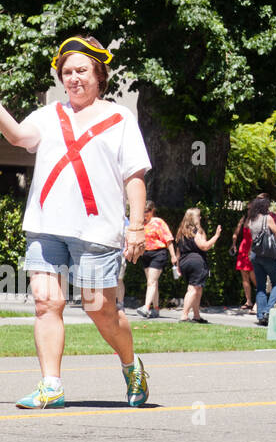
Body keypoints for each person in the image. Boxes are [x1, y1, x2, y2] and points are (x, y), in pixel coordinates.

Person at [0, 35, 151, 408]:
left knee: (100, 308)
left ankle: (131, 366)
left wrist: (135, 227)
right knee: (45, 303)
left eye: (81, 70)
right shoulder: (48, 115)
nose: (74, 78)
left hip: (98, 231)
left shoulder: (120, 118)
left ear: (99, 75)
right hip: (45, 225)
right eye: (67, 72)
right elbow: (19, 136)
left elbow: (134, 177)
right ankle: (51, 385)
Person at [174, 208, 221, 323]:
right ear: (194, 219)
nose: (200, 218)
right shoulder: (196, 232)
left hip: (185, 262)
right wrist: (216, 236)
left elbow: (178, 252)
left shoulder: (181, 232)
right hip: (197, 262)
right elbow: (204, 246)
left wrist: (178, 265)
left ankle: (196, 315)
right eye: (199, 216)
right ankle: (184, 316)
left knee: (198, 288)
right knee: (193, 289)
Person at [136, 201, 177, 318]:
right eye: (143, 212)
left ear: (152, 211)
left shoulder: (158, 222)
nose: (144, 214)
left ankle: (146, 307)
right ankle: (156, 308)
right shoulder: (141, 224)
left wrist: (173, 255)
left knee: (151, 282)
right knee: (153, 283)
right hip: (145, 254)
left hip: (158, 254)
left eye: (147, 212)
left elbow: (168, 239)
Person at [246, 193, 276, 326]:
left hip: (255, 255)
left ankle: (260, 316)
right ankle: (267, 311)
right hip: (269, 255)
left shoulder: (251, 220)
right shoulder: (268, 219)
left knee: (260, 287)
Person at [230, 212, 256, 311]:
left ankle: (260, 299)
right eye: (248, 208)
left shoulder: (256, 219)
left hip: (251, 248)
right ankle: (248, 301)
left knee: (254, 277)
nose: (249, 210)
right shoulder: (243, 219)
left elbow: (255, 237)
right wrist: (233, 243)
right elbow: (236, 233)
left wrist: (251, 250)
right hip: (243, 248)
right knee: (244, 277)